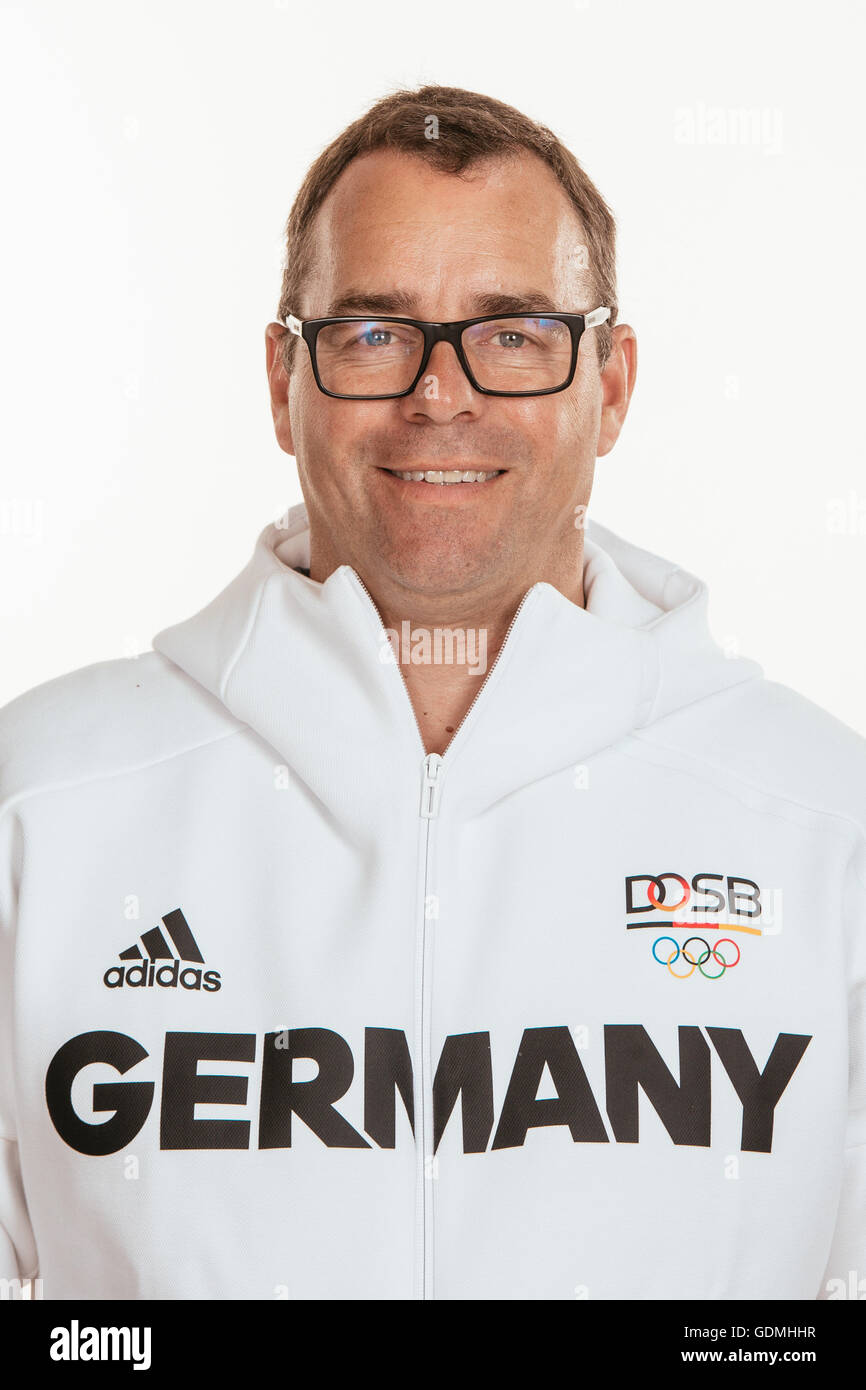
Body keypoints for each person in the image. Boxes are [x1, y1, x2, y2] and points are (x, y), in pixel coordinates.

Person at [0, 83, 863, 1302]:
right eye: (371, 332)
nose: (438, 396)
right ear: (280, 380)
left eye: (510, 331)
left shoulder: (826, 830)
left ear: (609, 384)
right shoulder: (39, 805)